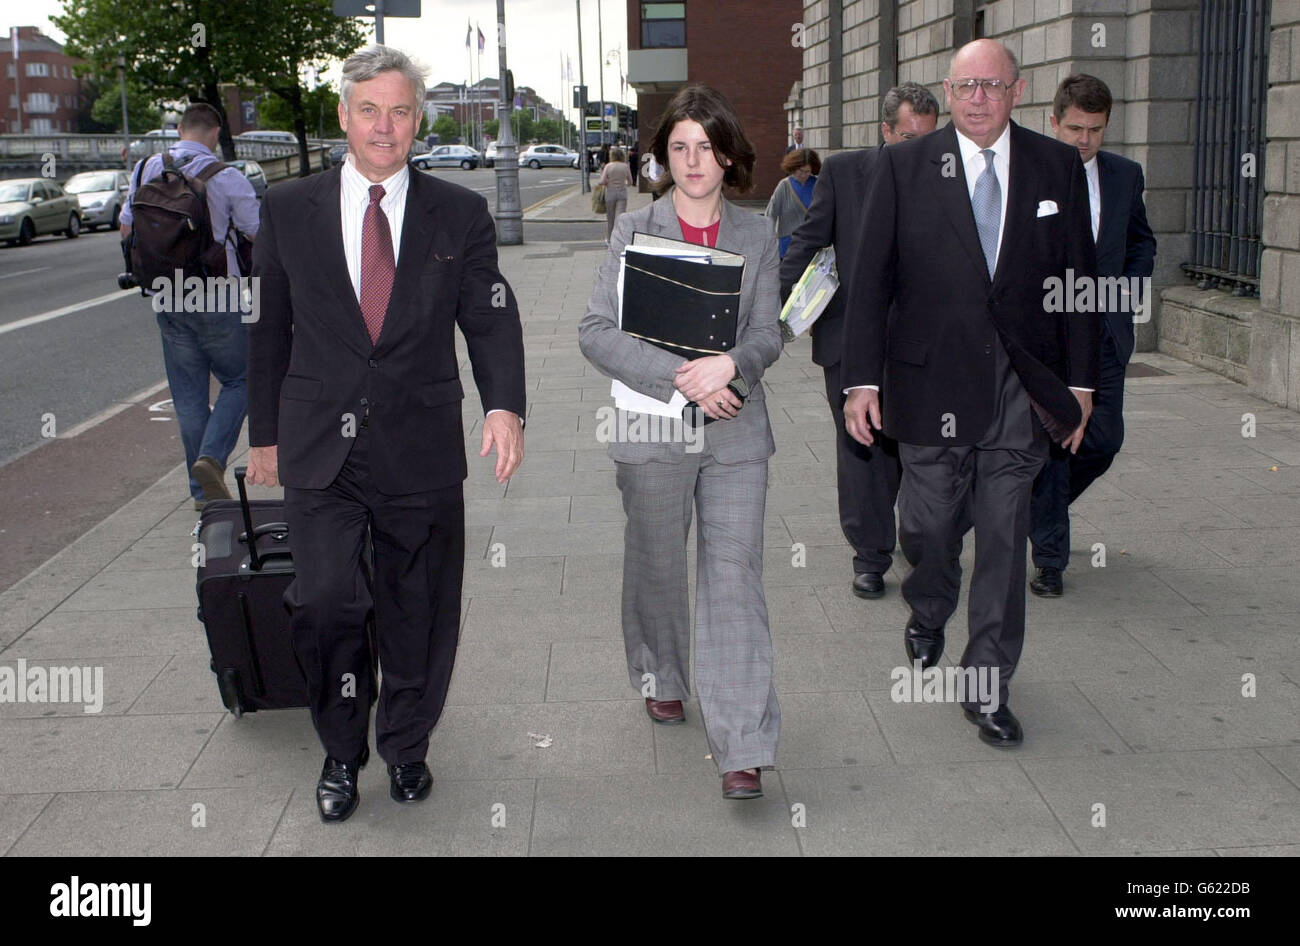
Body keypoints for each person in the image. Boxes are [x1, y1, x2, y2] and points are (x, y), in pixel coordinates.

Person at [245, 45, 527, 823]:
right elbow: (268, 327)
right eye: (368, 109)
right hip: (318, 447)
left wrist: (505, 406)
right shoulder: (288, 209)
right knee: (330, 601)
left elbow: (492, 319)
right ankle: (341, 749)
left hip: (421, 444)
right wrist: (263, 433)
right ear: (343, 116)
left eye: (399, 110)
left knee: (420, 607)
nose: (384, 125)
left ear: (417, 121)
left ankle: (406, 744)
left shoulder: (459, 214)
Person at [841, 40, 1099, 748]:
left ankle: (986, 683)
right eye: (965, 86)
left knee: (1004, 538)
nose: (978, 98)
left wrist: (1079, 386)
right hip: (928, 386)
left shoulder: (1056, 166)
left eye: (992, 85)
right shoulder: (903, 166)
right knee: (927, 525)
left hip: (1021, 387)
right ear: (948, 92)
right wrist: (861, 380)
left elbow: (1079, 281)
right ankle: (928, 608)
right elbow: (870, 282)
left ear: (1018, 90)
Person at [579, 84, 783, 800]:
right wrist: (682, 377)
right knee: (659, 560)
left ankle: (743, 744)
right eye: (679, 148)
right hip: (650, 425)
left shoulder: (758, 235)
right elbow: (595, 331)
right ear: (663, 157)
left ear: (728, 155)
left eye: (706, 147)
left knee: (733, 578)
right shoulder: (635, 228)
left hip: (736, 431)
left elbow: (769, 330)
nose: (693, 161)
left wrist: (735, 364)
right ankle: (662, 672)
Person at [780, 82, 939, 600]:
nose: (919, 149)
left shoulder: (948, 175)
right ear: (886, 130)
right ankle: (870, 555)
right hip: (850, 340)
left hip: (920, 345)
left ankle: (920, 541)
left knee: (914, 448)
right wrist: (765, 311)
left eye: (929, 139)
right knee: (862, 449)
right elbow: (808, 242)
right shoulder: (846, 174)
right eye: (909, 137)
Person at [1029, 75, 1157, 598]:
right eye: (1075, 128)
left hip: (1103, 330)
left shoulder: (1126, 176)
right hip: (1046, 336)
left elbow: (1141, 243)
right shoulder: (1027, 175)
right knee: (1058, 443)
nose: (1084, 140)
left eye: (1096, 130)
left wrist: (1127, 291)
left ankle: (1037, 513)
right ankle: (1050, 560)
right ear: (1053, 122)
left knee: (1103, 441)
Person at [119, 102, 260, 510]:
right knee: (242, 378)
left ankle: (201, 495)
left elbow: (128, 227)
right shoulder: (228, 176)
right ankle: (211, 459)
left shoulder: (145, 169)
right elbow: (256, 232)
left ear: (180, 129)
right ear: (215, 133)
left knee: (188, 396)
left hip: (165, 293)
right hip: (217, 293)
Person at [765, 148, 820, 258]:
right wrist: (769, 239)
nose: (803, 175)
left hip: (812, 244)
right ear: (794, 167)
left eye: (807, 171)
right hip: (788, 245)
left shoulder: (817, 185)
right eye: (800, 171)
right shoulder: (784, 186)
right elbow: (770, 214)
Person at [597, 146, 634, 242]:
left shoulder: (608, 166)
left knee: (610, 218)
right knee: (620, 217)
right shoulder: (625, 166)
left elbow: (601, 181)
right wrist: (623, 183)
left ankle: (609, 239)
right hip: (622, 193)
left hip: (610, 192)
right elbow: (630, 182)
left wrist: (608, 182)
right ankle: (620, 239)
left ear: (611, 155)